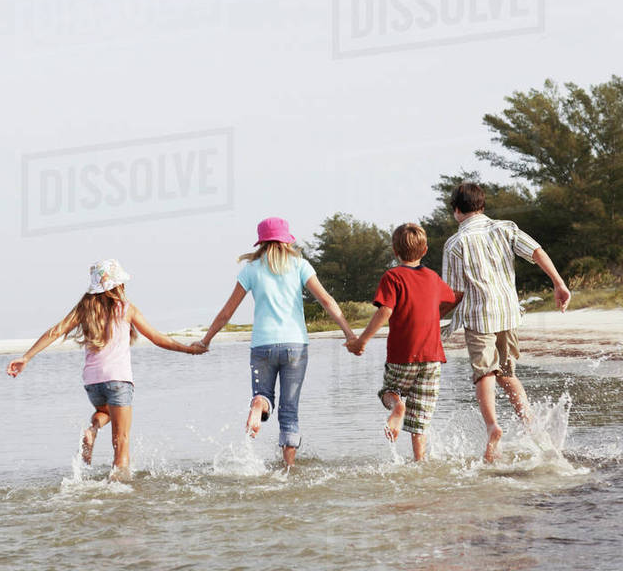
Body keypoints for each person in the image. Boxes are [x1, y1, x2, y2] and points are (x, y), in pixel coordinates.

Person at [6, 259, 206, 480]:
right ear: (118, 285)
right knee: (121, 441)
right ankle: (119, 494)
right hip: (119, 380)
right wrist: (188, 350)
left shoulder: (85, 308)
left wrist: (27, 357)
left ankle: (92, 429)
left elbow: (56, 331)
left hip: (93, 382)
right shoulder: (126, 309)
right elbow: (158, 338)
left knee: (105, 413)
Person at [192, 217, 358, 467]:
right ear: (286, 240)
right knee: (289, 410)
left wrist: (205, 341)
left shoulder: (250, 270)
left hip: (262, 346)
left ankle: (259, 403)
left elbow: (227, 312)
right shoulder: (301, 265)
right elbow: (326, 300)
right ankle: (288, 467)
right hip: (295, 346)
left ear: (261, 242)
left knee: (263, 394)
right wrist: (349, 333)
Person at [442, 181, 571, 462]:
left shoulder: (455, 243)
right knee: (507, 373)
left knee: (484, 373)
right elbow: (536, 251)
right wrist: (558, 284)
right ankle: (530, 425)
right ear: (482, 205)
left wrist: (434, 316)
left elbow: (455, 293)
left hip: (479, 316)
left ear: (456, 210)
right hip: (508, 313)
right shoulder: (505, 228)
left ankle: (492, 427)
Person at [349, 223, 456, 461]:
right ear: (425, 249)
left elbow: (384, 311)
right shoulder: (432, 277)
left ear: (394, 251)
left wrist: (361, 341)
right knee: (421, 418)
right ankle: (420, 461)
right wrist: (436, 314)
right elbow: (452, 297)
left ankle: (397, 406)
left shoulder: (392, 276)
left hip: (402, 355)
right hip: (432, 357)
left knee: (388, 391)